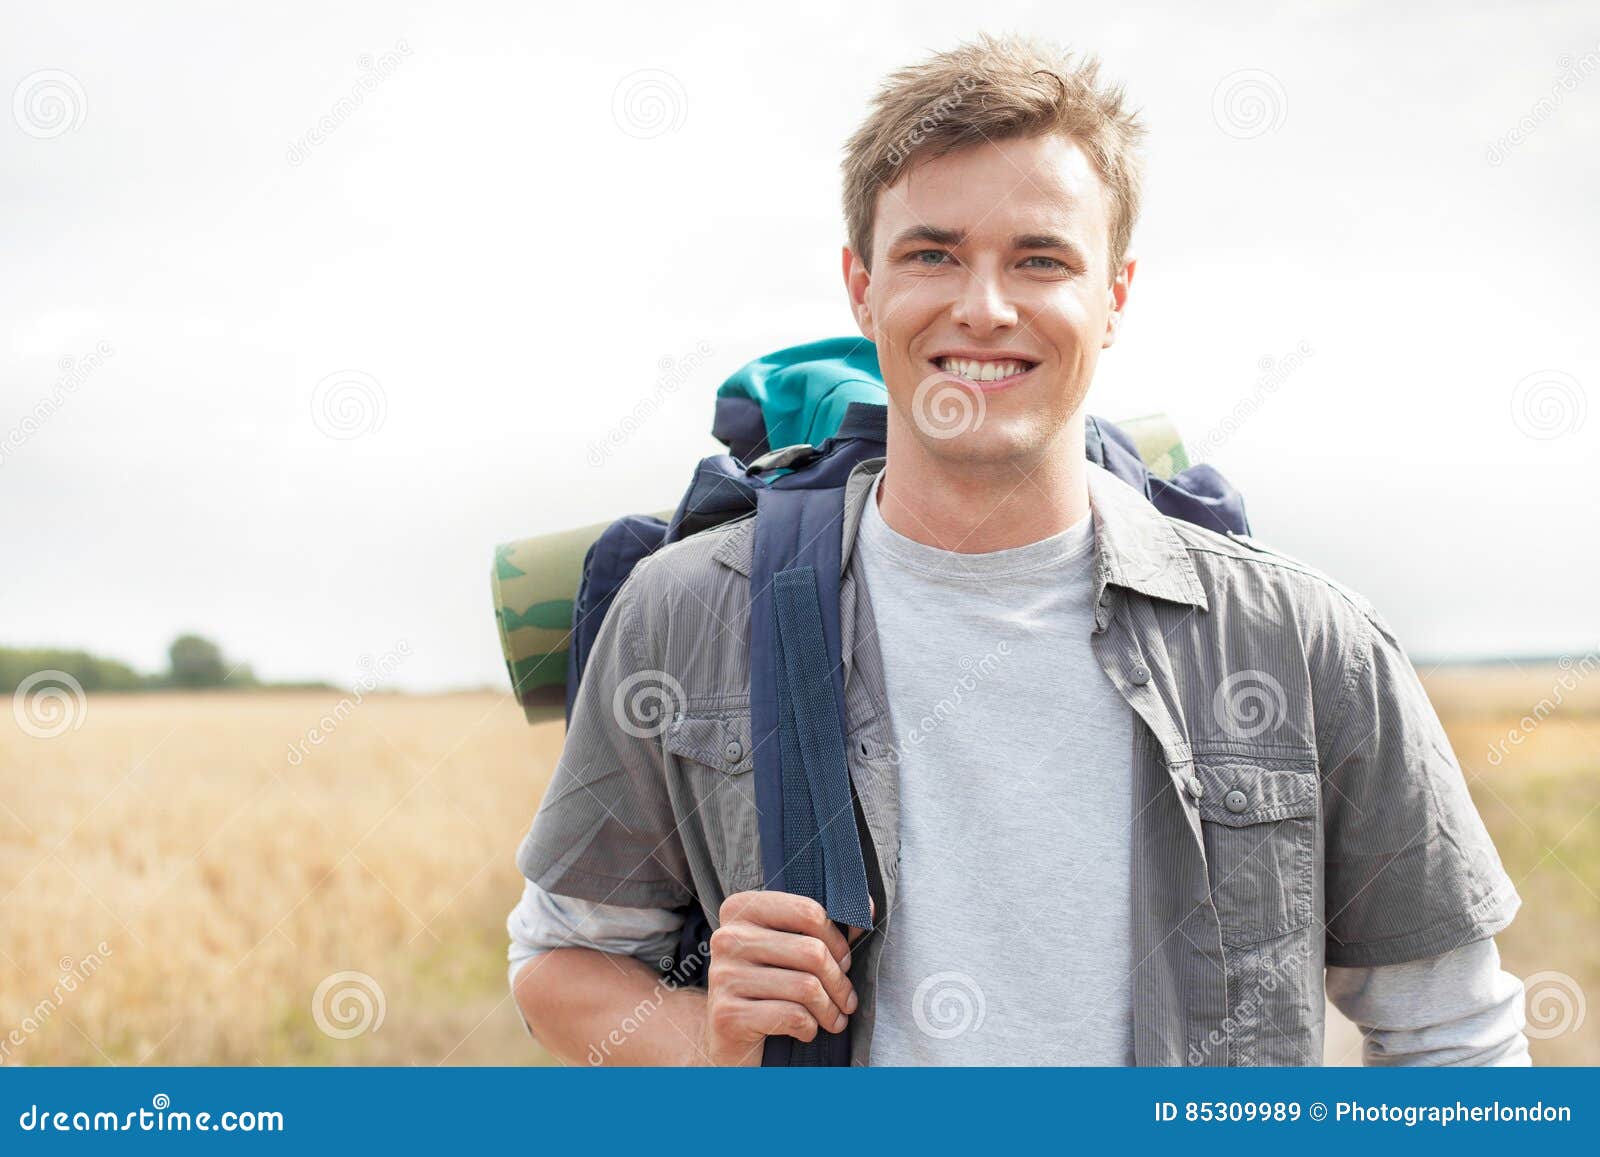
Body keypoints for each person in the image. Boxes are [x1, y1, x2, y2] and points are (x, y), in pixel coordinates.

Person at [505, 32, 1529, 1066]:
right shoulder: (685, 610)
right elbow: (558, 960)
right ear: (861, 287)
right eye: (932, 253)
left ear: (1113, 296)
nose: (982, 307)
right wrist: (704, 1040)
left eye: (1040, 258)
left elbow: (1453, 1038)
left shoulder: (1306, 643)